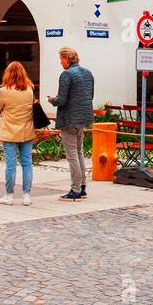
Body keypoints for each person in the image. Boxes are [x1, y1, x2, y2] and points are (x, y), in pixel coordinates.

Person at [49, 46, 94, 201]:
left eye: (61, 59)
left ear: (67, 59)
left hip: (69, 119)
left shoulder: (66, 75)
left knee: (72, 155)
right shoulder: (88, 73)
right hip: (83, 118)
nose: (60, 63)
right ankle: (82, 187)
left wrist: (52, 100)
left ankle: (75, 189)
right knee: (79, 152)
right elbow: (90, 95)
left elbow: (62, 100)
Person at [0, 61, 36, 205]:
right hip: (26, 130)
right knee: (27, 163)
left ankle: (9, 195)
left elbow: (1, 106)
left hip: (9, 131)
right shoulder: (30, 88)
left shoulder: (3, 90)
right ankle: (26, 195)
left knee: (11, 164)